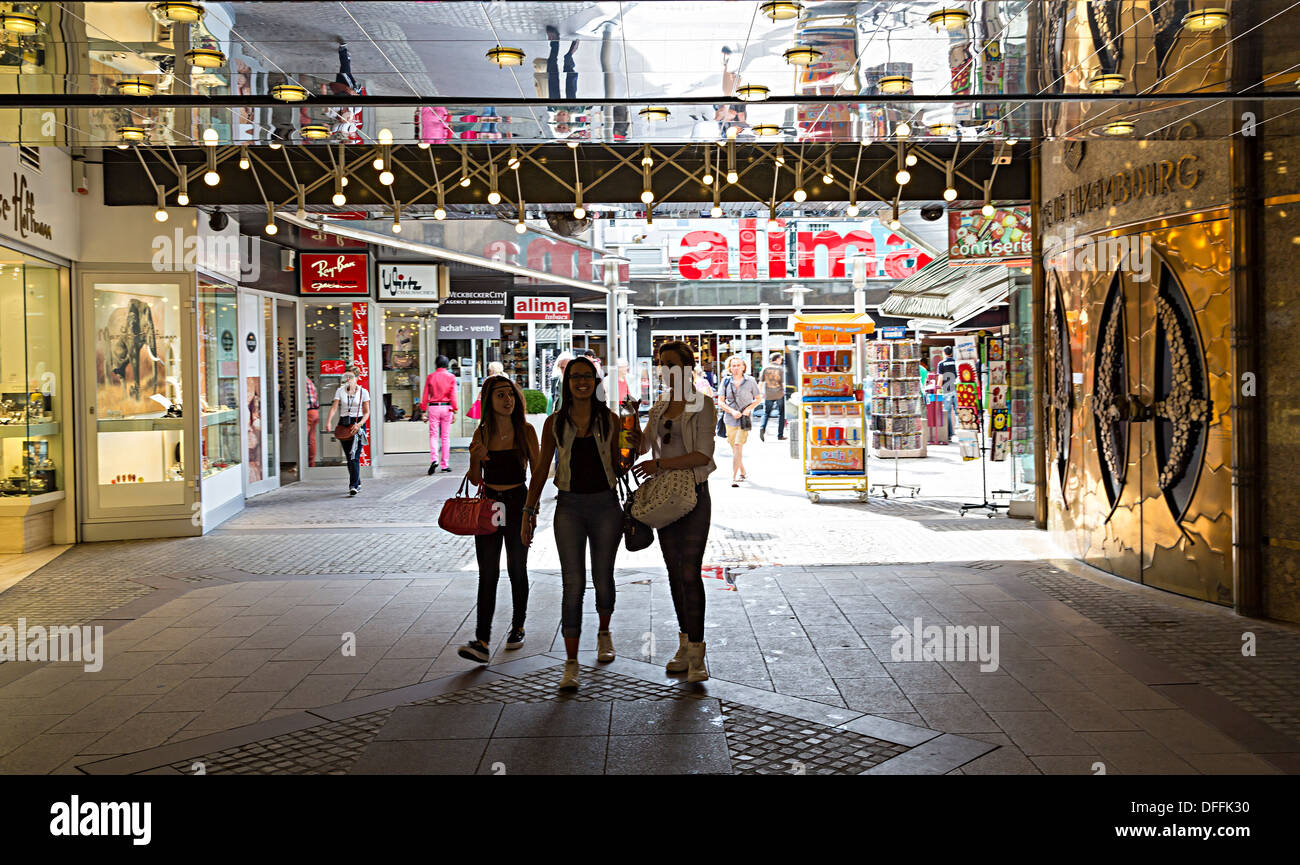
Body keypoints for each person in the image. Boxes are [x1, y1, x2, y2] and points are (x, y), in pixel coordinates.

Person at [523, 356, 624, 691]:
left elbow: (620, 464)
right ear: (566, 382)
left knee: (603, 576)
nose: (581, 381)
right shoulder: (555, 422)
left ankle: (604, 632)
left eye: (588, 376)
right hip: (569, 507)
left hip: (605, 505)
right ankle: (570, 662)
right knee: (573, 583)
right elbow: (540, 470)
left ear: (596, 382)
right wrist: (529, 511)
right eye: (575, 376)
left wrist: (630, 441)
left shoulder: (609, 419)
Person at [631, 341, 717, 682]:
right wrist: (629, 420)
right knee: (672, 571)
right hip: (665, 496)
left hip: (693, 495)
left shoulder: (703, 403)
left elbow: (703, 455)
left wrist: (661, 464)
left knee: (689, 572)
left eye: (671, 364)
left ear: (688, 367)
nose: (665, 370)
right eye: (661, 364)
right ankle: (684, 644)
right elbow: (642, 446)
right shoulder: (660, 404)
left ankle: (697, 651)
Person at [457, 376, 541, 664]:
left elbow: (539, 474)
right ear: (489, 402)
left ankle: (518, 626)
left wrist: (532, 510)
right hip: (489, 504)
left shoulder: (526, 431)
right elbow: (476, 479)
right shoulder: (482, 433)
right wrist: (475, 459)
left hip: (518, 502)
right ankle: (481, 639)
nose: (507, 400)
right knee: (488, 572)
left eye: (511, 395)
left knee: (517, 567)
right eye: (500, 396)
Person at [719, 354, 762, 487]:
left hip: (744, 420)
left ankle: (734, 477)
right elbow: (720, 402)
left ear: (744, 367)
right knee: (735, 449)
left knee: (738, 446)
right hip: (729, 420)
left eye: (739, 365)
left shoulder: (751, 381)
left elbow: (758, 399)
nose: (736, 368)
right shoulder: (725, 381)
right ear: (729, 368)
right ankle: (742, 470)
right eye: (733, 366)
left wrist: (749, 409)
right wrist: (732, 411)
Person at [324, 371, 369, 496]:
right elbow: (334, 407)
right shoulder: (340, 390)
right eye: (347, 377)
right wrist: (328, 422)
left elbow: (366, 413)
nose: (348, 379)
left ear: (358, 378)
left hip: (357, 424)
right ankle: (357, 481)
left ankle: (353, 485)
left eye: (351, 377)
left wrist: (359, 424)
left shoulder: (363, 392)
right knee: (349, 458)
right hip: (344, 424)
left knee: (354, 455)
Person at [420, 356, 457, 475]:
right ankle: (445, 465)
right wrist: (454, 410)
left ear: (436, 364)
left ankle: (434, 459)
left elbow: (425, 395)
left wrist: (423, 411)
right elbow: (453, 395)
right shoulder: (451, 377)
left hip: (433, 407)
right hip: (447, 407)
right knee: (445, 437)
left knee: (433, 435)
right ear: (447, 365)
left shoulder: (430, 377)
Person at [757, 351, 787, 441]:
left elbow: (761, 382)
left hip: (768, 394)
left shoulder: (765, 368)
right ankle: (780, 435)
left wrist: (760, 393)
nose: (781, 361)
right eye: (780, 359)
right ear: (777, 359)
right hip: (779, 394)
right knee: (781, 414)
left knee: (766, 413)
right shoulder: (780, 369)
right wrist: (785, 391)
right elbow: (783, 383)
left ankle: (762, 428)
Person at [937, 345, 957, 438]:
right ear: (951, 353)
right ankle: (961, 431)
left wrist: (938, 388)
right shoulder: (956, 362)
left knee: (947, 411)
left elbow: (941, 377)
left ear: (944, 353)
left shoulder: (941, 363)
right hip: (957, 388)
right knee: (959, 411)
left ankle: (950, 433)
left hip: (947, 388)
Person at [304, 374, 320, 467]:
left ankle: (302, 466)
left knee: (303, 439)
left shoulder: (302, 382)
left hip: (307, 413)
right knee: (311, 439)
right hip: (314, 412)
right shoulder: (310, 382)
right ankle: (311, 464)